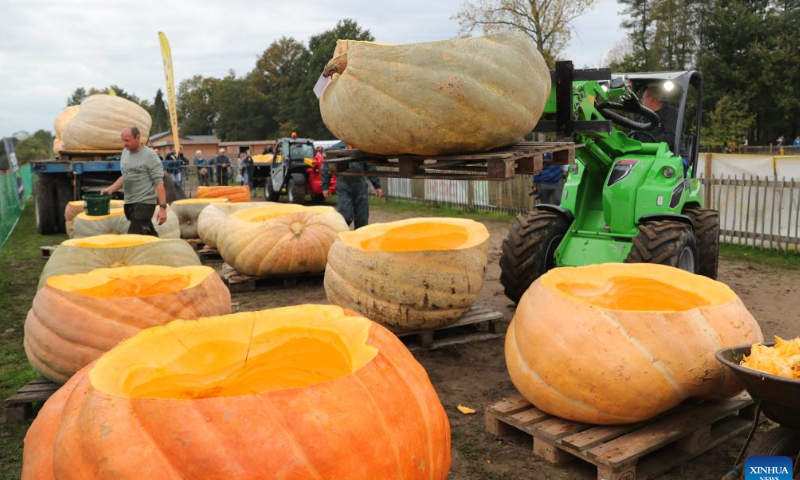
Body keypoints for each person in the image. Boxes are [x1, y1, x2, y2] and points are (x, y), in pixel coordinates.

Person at [100, 126, 167, 236]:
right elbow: (125, 176)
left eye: (127, 140)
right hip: (130, 204)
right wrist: (111, 188)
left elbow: (159, 183)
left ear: (138, 137)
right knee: (147, 234)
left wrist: (163, 208)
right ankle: (160, 251)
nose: (124, 143)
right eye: (123, 140)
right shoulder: (125, 153)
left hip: (145, 204)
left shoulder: (150, 156)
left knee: (134, 236)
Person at [321, 154, 382, 229]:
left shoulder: (361, 150)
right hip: (344, 186)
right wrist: (325, 187)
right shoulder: (336, 149)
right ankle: (343, 235)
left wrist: (377, 186)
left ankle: (359, 238)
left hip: (360, 187)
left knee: (362, 219)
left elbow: (371, 168)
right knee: (345, 216)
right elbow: (327, 168)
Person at [640, 85, 679, 154]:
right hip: (646, 154)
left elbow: (670, 137)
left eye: (643, 99)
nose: (642, 102)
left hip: (670, 154)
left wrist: (648, 145)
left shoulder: (672, 114)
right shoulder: (644, 118)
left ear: (651, 99)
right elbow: (636, 135)